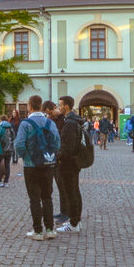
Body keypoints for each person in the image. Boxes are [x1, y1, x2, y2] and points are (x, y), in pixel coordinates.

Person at [14, 95, 60, 241]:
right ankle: (50, 229)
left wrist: (27, 157)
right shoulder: (50, 123)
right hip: (47, 165)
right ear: (40, 106)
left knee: (34, 198)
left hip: (31, 166)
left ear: (30, 106)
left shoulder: (25, 124)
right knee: (47, 197)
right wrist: (50, 156)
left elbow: (19, 144)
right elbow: (57, 143)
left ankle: (38, 231)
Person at [56, 96, 86, 234]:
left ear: (67, 106)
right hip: (74, 162)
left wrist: (59, 157)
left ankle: (73, 223)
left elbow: (67, 146)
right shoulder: (75, 121)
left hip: (67, 163)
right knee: (74, 191)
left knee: (70, 193)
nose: (59, 107)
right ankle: (76, 221)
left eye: (60, 104)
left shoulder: (69, 123)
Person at [0, 113, 15, 187]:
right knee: (7, 165)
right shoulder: (10, 127)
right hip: (9, 149)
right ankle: (6, 182)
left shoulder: (0, 127)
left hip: (1, 149)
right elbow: (14, 137)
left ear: (1, 120)